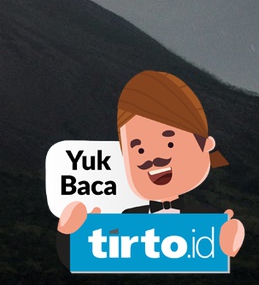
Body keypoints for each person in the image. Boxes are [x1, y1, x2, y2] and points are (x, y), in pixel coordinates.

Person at [56, 70, 245, 267]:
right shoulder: (127, 220)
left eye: (169, 143)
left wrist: (227, 243)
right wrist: (73, 234)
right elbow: (87, 256)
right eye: (139, 149)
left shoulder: (208, 222)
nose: (154, 159)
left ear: (206, 145)